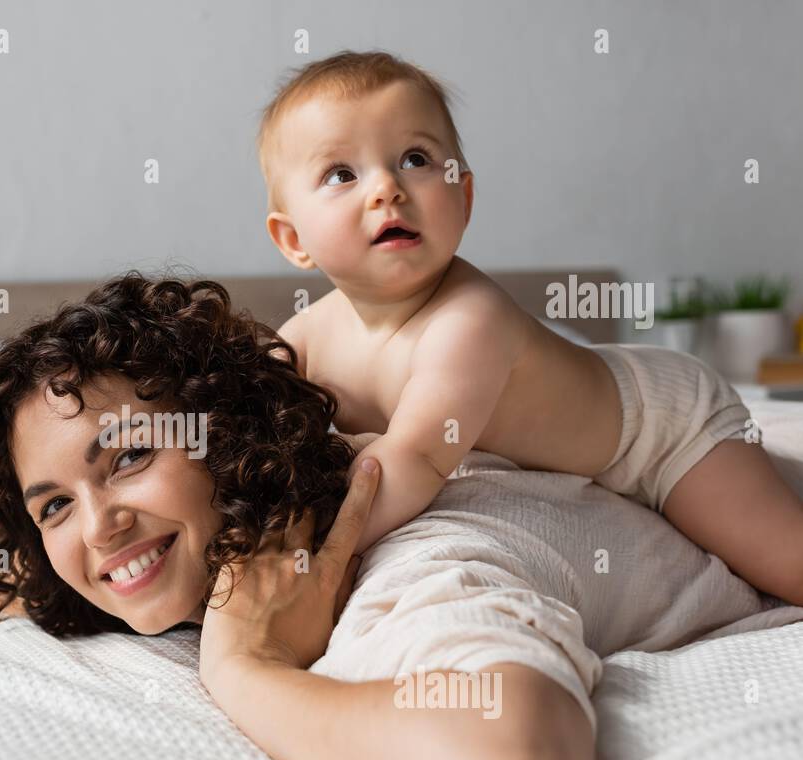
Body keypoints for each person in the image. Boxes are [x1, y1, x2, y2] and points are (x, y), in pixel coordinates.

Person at [0, 271, 800, 760]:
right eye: (53, 505)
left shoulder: (407, 560)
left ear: (228, 431)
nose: (97, 528)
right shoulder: (325, 466)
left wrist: (247, 668)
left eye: (130, 456)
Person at [256, 50, 803, 602]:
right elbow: (246, 410)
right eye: (342, 173)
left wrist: (298, 553)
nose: (387, 188)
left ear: (464, 198)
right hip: (616, 417)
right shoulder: (304, 335)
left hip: (664, 430)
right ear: (294, 240)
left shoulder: (468, 322)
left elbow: (413, 460)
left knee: (786, 561)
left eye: (416, 159)